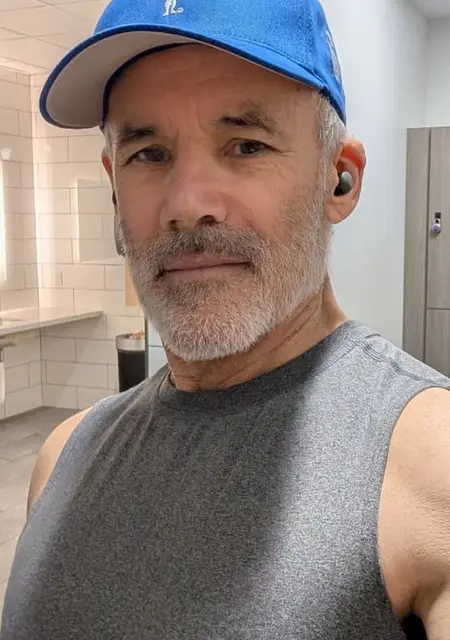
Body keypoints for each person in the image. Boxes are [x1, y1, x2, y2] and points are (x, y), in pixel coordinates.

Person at [1, 0, 449, 638]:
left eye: (246, 145)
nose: (186, 205)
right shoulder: (63, 458)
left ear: (339, 179)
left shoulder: (428, 466)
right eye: (148, 153)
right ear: (113, 187)